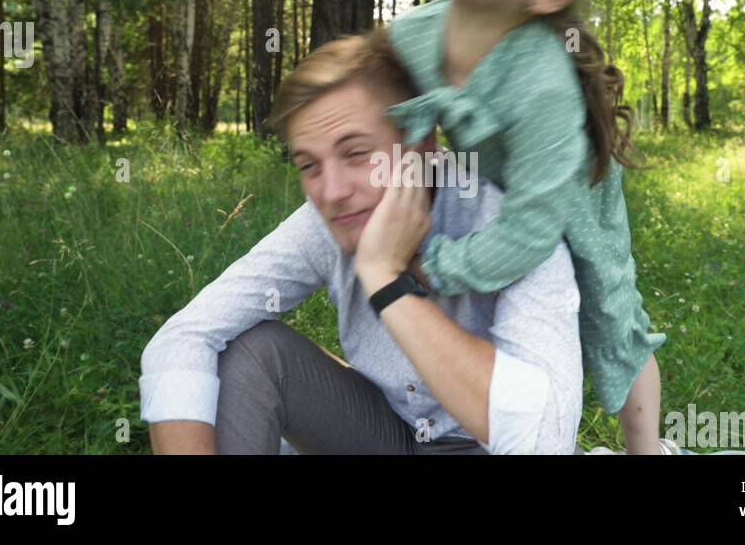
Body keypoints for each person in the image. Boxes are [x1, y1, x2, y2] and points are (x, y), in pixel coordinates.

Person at [139, 31, 587, 454]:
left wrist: (384, 278)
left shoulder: (514, 227)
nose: (332, 192)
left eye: (355, 154)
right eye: (309, 166)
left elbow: (544, 438)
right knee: (253, 352)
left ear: (422, 146)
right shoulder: (326, 220)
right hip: (390, 435)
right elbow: (184, 336)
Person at [383, 0, 668, 453]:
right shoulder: (413, 33)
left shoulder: (542, 85)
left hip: (565, 189)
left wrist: (441, 264)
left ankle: (647, 446)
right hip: (490, 178)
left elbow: (533, 229)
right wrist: (412, 187)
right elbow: (411, 123)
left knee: (612, 312)